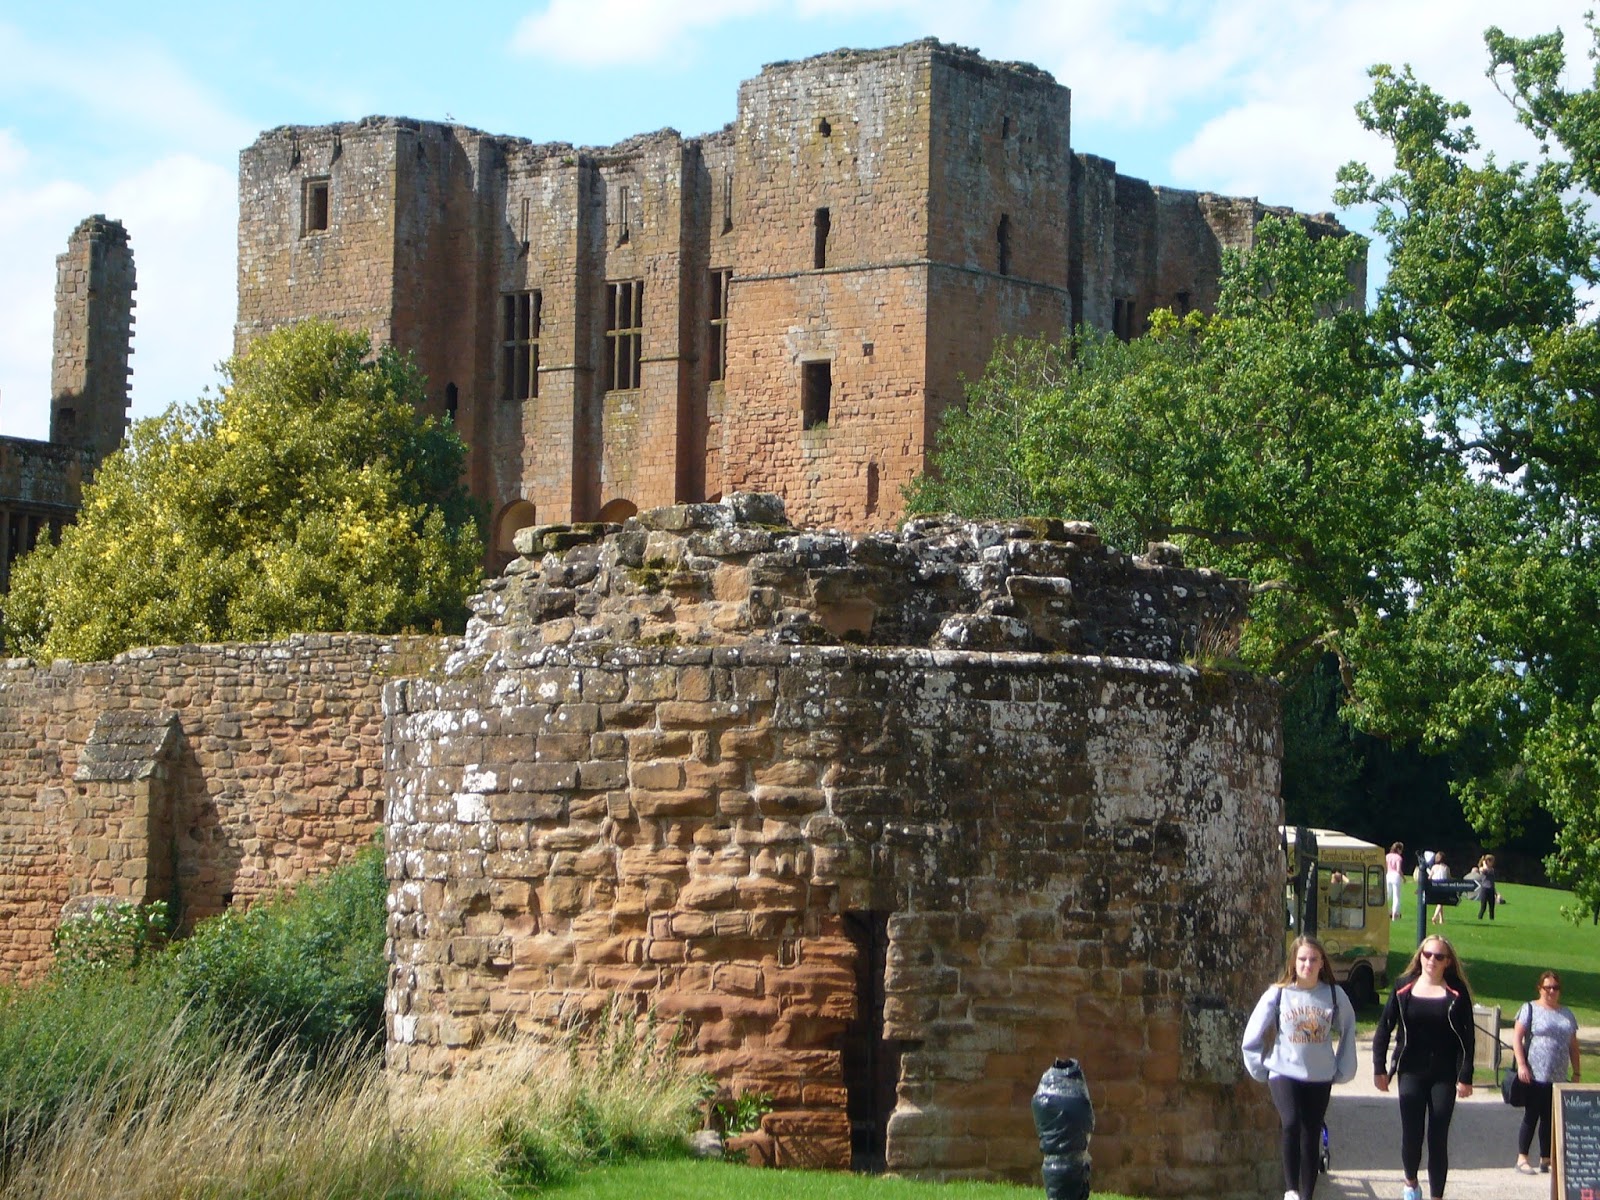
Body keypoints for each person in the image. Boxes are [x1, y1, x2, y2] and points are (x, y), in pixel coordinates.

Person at [1242, 936, 1358, 1200]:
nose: (1307, 964)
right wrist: (1260, 1067)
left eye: (1313, 959)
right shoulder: (1279, 992)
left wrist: (1342, 1069)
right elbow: (1253, 1033)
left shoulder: (1333, 994)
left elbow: (1349, 1030)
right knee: (1291, 1122)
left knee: (1311, 1130)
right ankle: (1291, 1190)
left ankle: (1307, 1194)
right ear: (1294, 962)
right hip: (1284, 1070)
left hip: (1319, 1075)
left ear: (1321, 963)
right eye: (1302, 959)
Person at [1373, 935, 1475, 1200]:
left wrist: (1465, 1075)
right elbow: (1384, 1028)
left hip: (1443, 1074)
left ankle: (1437, 1195)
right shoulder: (1402, 988)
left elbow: (1468, 1037)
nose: (1432, 960)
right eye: (1427, 954)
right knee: (1412, 1133)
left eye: (1439, 956)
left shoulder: (1457, 992)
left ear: (1447, 962)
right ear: (1420, 956)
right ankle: (1411, 1183)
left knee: (1438, 1135)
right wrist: (1379, 1068)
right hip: (1411, 1071)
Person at [1511, 969, 1581, 1174]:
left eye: (1555, 988)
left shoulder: (1567, 1014)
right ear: (1540, 988)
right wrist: (1522, 1064)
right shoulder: (1529, 1009)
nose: (1551, 991)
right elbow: (1517, 1038)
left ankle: (1546, 1158)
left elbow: (1573, 1046)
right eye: (1547, 987)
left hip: (1558, 1075)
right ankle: (1522, 1157)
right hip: (1534, 1072)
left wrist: (1577, 1072)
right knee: (1531, 1114)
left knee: (1550, 1117)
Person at [1473, 854, 1497, 921]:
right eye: (1492, 861)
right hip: (1485, 890)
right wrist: (1484, 862)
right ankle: (1479, 919)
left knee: (1492, 907)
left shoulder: (1492, 869)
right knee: (1483, 907)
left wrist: (1495, 892)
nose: (1493, 863)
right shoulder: (1481, 868)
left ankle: (1492, 920)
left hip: (1491, 889)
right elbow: (1484, 870)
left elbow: (1492, 881)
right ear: (1488, 861)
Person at [1428, 852, 1450, 925]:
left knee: (1440, 903)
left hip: (1434, 886)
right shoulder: (1446, 868)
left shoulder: (1434, 867)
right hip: (1442, 886)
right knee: (1441, 902)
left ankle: (1441, 919)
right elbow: (1448, 878)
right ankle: (1434, 916)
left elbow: (1430, 877)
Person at [1386, 842, 1406, 920]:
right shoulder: (1398, 857)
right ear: (1398, 849)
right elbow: (1398, 870)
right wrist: (1403, 878)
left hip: (1388, 875)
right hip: (1395, 876)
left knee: (1388, 895)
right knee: (1396, 896)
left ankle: (1386, 912)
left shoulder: (1387, 856)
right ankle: (1395, 914)